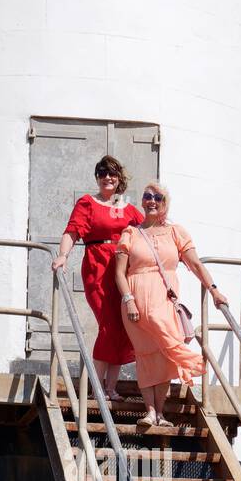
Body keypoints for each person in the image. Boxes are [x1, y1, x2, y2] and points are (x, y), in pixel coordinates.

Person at [114, 181, 227, 430]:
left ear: (165, 204)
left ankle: (162, 409)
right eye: (147, 196)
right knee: (145, 355)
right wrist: (129, 300)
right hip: (135, 302)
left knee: (167, 351)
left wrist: (214, 290)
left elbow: (195, 264)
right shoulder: (130, 233)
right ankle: (151, 412)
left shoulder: (176, 232)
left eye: (158, 197)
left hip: (164, 301)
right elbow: (120, 273)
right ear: (142, 201)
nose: (152, 200)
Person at [51, 157, 144, 399]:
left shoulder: (131, 210)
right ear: (97, 177)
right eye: (102, 173)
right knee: (108, 324)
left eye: (112, 173)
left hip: (123, 272)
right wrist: (63, 255)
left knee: (121, 327)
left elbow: (148, 237)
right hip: (98, 268)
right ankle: (96, 389)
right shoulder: (87, 203)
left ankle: (110, 389)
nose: (107, 177)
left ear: (119, 178)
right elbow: (72, 231)